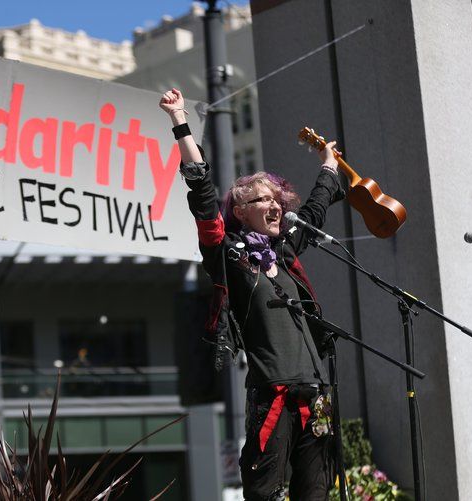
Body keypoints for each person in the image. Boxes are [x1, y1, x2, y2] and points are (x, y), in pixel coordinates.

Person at [159, 88, 345, 500]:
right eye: (263, 200)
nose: (275, 205)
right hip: (272, 396)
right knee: (263, 494)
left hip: (315, 395)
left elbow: (314, 210)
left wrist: (329, 165)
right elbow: (202, 193)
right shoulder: (228, 254)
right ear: (241, 212)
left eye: (277, 199)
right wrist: (179, 120)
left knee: (316, 495)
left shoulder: (287, 250)